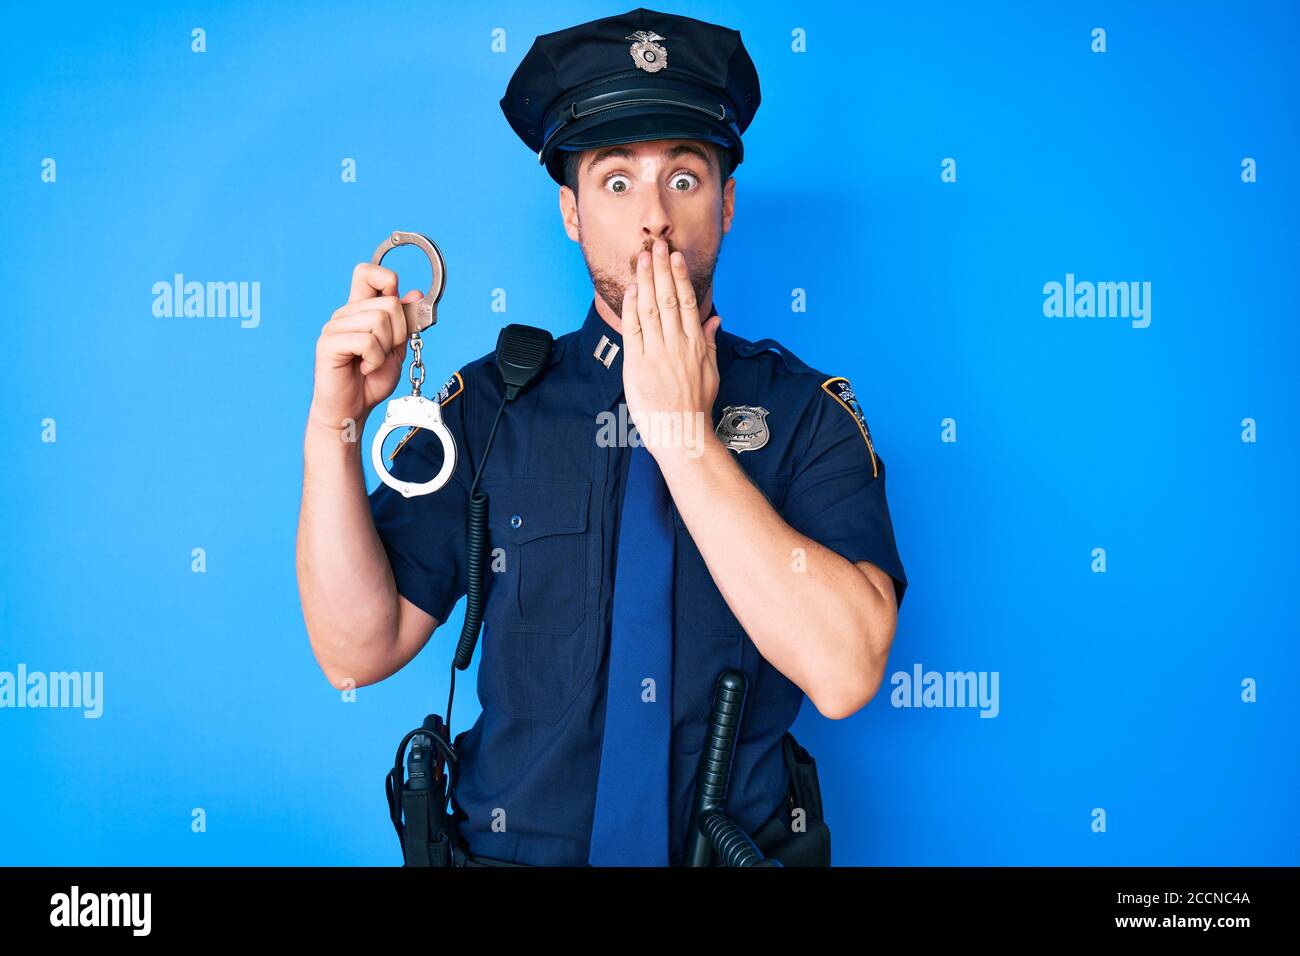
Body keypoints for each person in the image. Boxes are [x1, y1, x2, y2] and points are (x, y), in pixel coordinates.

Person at [296, 7, 907, 867]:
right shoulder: (491, 405)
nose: (653, 217)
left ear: (727, 203)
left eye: (684, 178)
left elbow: (847, 673)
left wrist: (683, 438)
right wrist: (336, 425)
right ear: (573, 213)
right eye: (616, 182)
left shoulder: (805, 415)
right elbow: (355, 651)